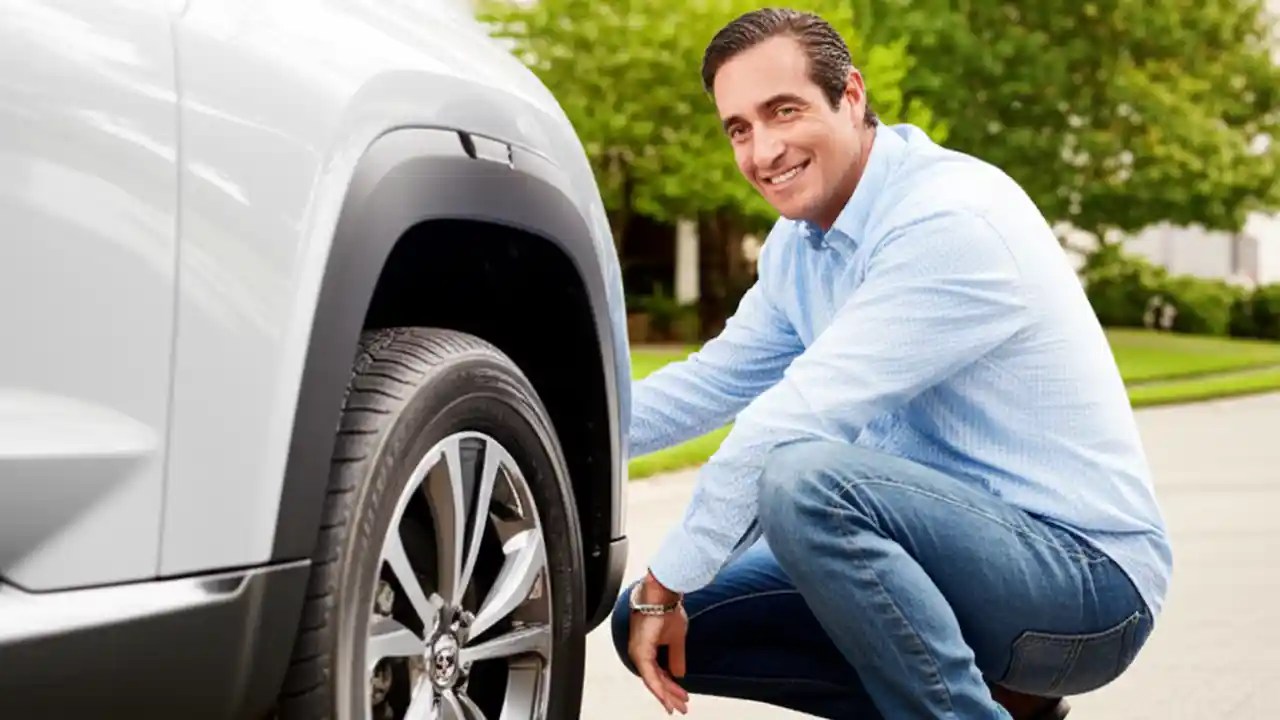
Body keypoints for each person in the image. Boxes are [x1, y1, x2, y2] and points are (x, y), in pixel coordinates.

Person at [610, 7, 1173, 720]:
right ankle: (993, 705)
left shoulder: (946, 221)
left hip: (1084, 588)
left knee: (803, 481)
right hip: (942, 563)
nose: (763, 150)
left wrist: (670, 582)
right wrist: (556, 424)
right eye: (739, 129)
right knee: (643, 630)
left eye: (784, 111)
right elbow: (712, 381)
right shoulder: (800, 244)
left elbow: (790, 422)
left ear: (851, 95)